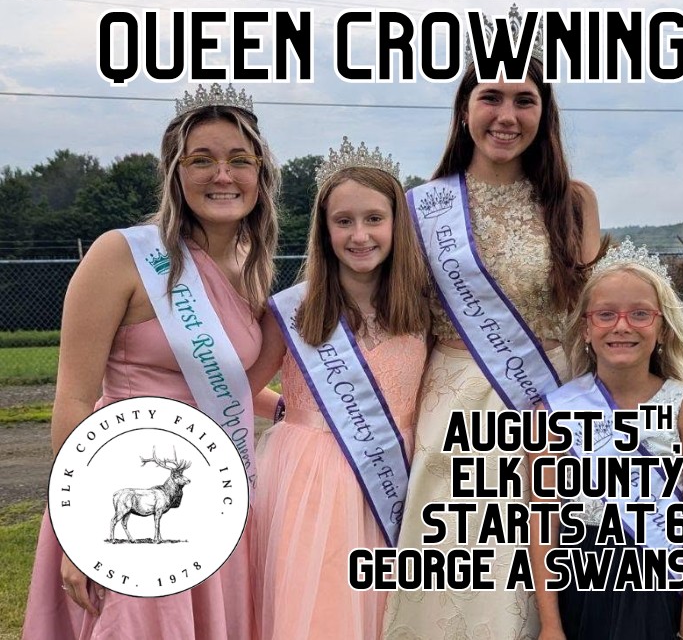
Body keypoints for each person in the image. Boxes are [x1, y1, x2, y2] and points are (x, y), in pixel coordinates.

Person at [22, 83, 280, 640]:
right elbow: (71, 401)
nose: (223, 175)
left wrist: (296, 412)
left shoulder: (251, 269)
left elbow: (225, 383)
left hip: (215, 490)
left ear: (260, 174)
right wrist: (83, 530)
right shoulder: (121, 255)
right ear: (174, 173)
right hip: (125, 476)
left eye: (240, 160)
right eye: (202, 160)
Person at [384, 51, 603, 639]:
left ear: (544, 114)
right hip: (453, 404)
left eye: (524, 100)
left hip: (551, 399)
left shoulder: (573, 201)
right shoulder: (421, 207)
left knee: (553, 557)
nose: (506, 115)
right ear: (464, 111)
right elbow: (396, 315)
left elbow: (587, 315)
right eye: (491, 97)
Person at [249, 137, 430, 640]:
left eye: (374, 218)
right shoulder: (293, 310)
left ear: (397, 225)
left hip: (402, 478)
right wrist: (291, 411)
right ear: (324, 230)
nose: (360, 235)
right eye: (343, 221)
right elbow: (237, 391)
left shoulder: (424, 311)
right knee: (322, 610)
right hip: (310, 483)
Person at [530, 240, 683, 640]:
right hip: (586, 591)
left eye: (640, 314)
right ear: (586, 328)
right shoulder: (551, 414)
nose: (622, 326)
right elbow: (544, 524)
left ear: (661, 327)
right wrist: (551, 624)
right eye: (606, 315)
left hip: (665, 595)